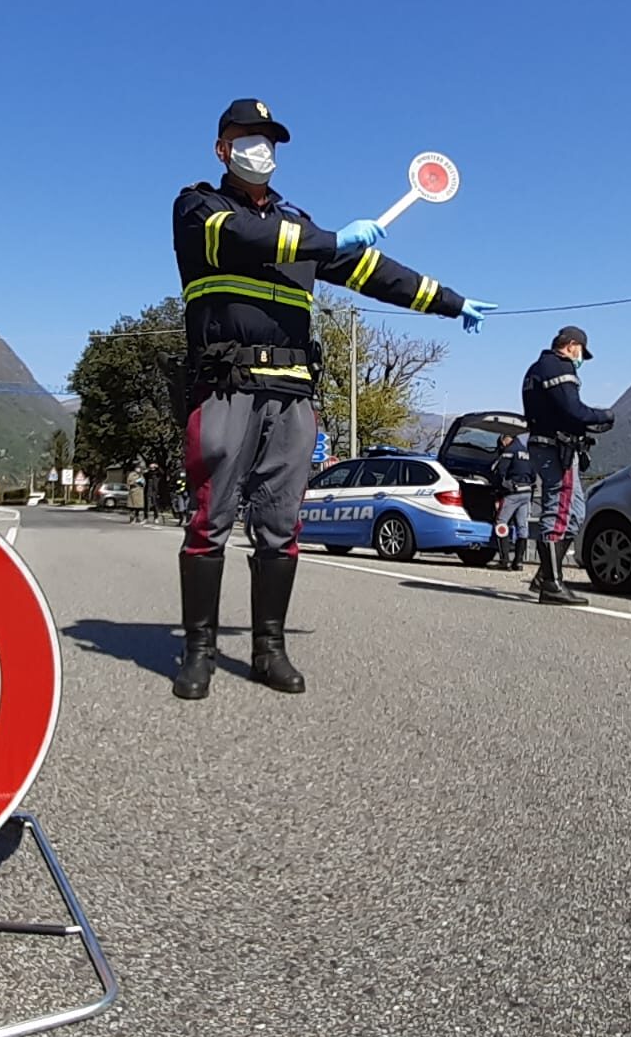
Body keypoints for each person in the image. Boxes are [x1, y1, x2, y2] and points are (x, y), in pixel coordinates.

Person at [170, 98, 494, 700]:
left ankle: (269, 648)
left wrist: (449, 300)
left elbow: (374, 271)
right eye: (249, 137)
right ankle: (199, 649)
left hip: (292, 393)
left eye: (270, 139)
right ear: (223, 148)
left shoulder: (301, 226)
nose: (261, 148)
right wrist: (327, 238)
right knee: (210, 520)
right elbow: (243, 234)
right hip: (226, 386)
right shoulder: (199, 207)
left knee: (280, 523)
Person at [520, 326, 615, 606]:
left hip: (545, 443)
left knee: (575, 511)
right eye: (581, 352)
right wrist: (603, 415)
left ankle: (546, 573)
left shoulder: (536, 368)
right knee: (559, 510)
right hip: (555, 447)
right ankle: (551, 584)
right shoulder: (559, 367)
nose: (581, 358)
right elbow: (572, 409)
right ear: (572, 345)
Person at [490, 431, 535, 571]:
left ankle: (504, 560)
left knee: (501, 523)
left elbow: (500, 473)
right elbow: (533, 475)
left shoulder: (509, 452)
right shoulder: (526, 452)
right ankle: (519, 562)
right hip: (527, 492)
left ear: (504, 441)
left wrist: (500, 488)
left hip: (513, 493)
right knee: (522, 527)